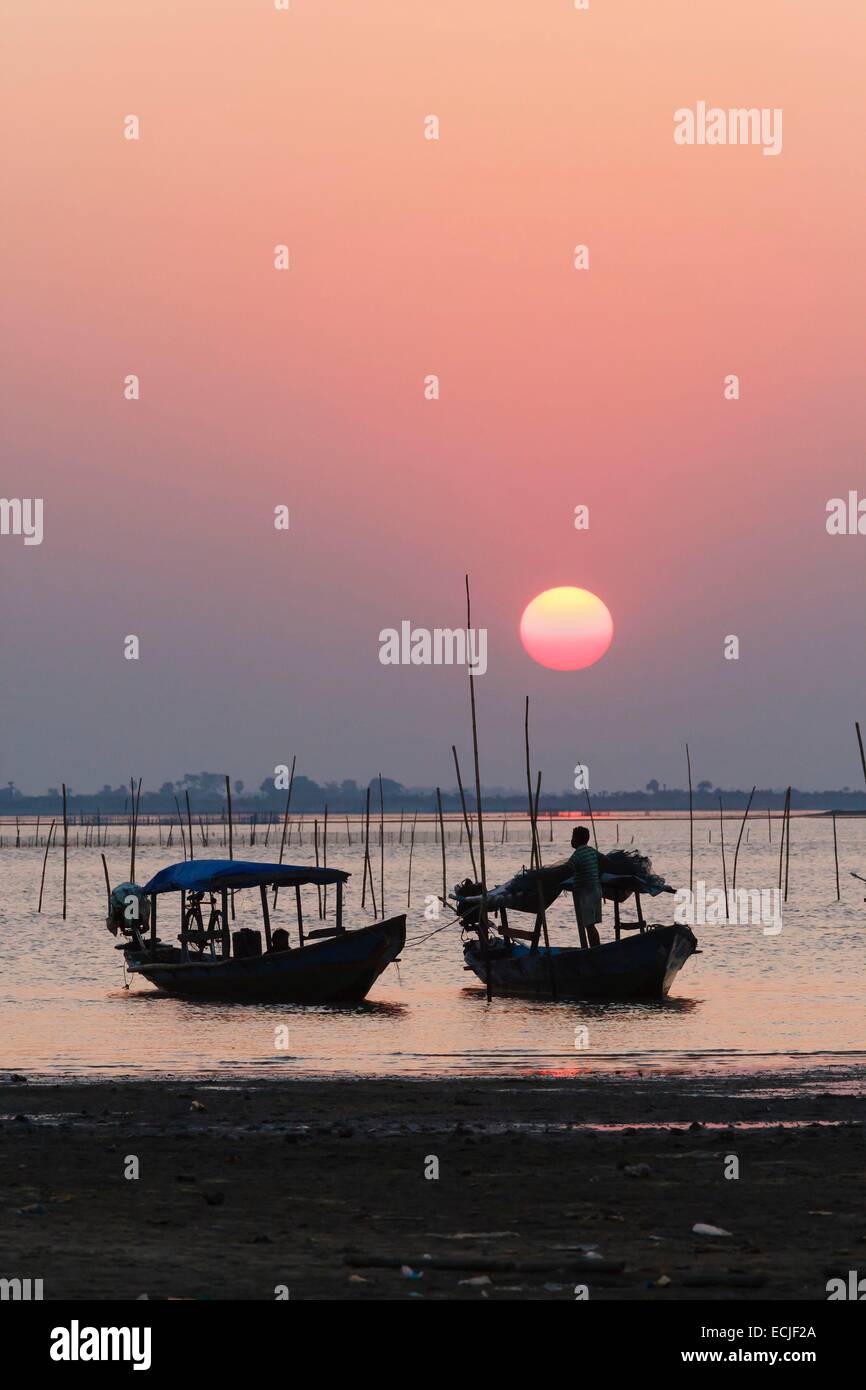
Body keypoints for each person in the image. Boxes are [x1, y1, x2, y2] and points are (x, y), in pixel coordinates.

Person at [569, 825, 602, 948]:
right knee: (591, 924)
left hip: (587, 893)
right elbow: (604, 860)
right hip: (596, 889)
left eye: (573, 838)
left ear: (577, 840)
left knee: (589, 925)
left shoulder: (577, 854)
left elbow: (567, 869)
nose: (571, 840)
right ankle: (595, 948)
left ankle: (595, 950)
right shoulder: (592, 851)